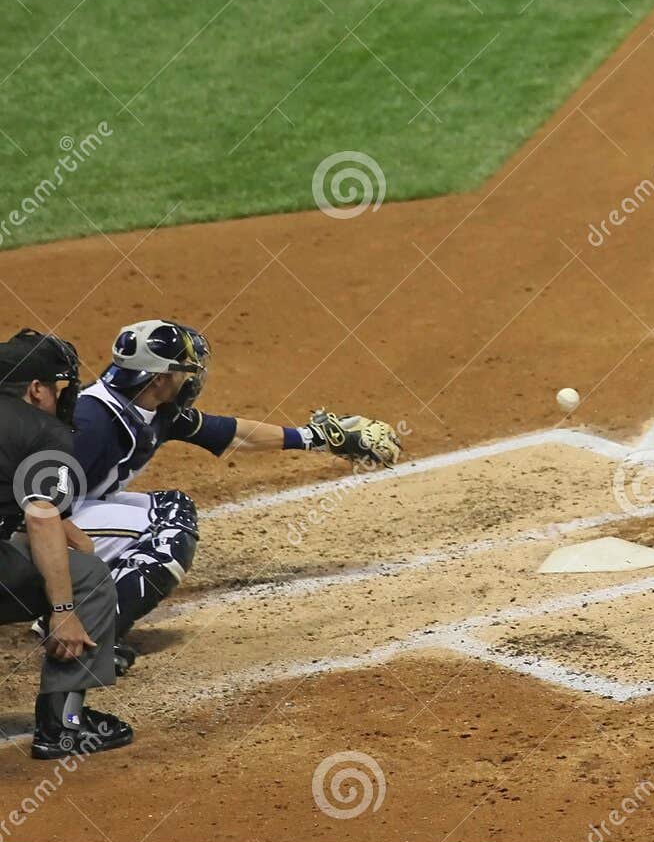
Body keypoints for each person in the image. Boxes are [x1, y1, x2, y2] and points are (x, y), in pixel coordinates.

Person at [67, 319, 402, 669]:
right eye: (185, 371)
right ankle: (89, 635)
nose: (191, 379)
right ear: (160, 378)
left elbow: (233, 433)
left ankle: (73, 604)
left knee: (173, 507)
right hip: (34, 526)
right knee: (168, 530)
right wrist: (61, 555)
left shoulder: (150, 408)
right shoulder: (92, 421)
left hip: (72, 514)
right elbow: (35, 503)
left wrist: (316, 438)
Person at [0, 329, 133, 759]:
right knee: (87, 578)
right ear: (36, 389)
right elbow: (40, 517)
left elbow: (33, 510)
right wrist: (62, 612)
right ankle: (65, 725)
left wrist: (70, 532)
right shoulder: (41, 430)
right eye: (56, 387)